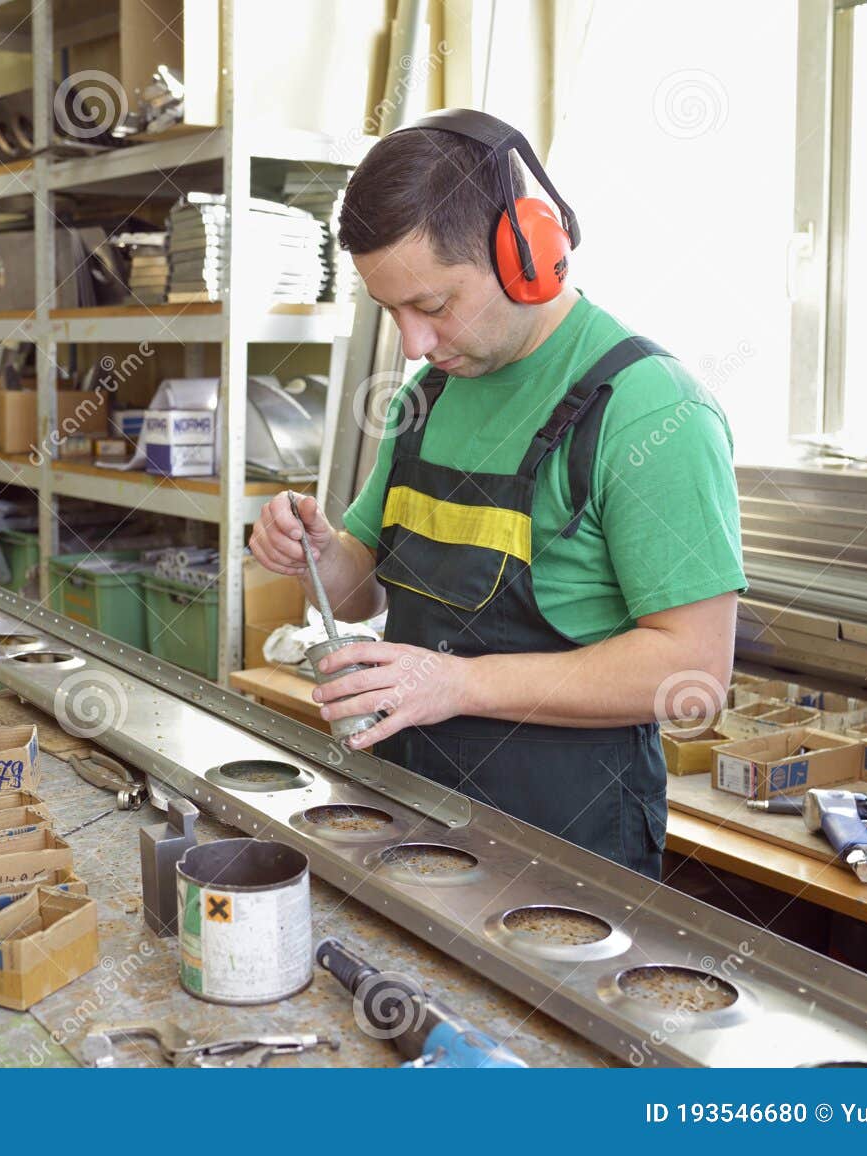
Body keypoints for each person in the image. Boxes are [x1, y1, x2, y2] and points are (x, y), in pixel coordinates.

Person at [249, 110, 745, 879]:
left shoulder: (650, 409)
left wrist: (457, 684)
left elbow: (696, 675)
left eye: (434, 306)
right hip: (410, 812)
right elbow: (360, 588)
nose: (413, 342)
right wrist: (318, 554)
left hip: (565, 843)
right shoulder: (431, 393)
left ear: (527, 255)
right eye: (392, 311)